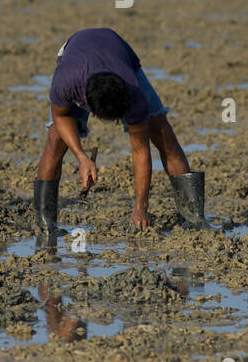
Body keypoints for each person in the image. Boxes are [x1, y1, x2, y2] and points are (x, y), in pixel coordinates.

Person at [33, 27, 208, 233]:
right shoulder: (66, 81)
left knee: (161, 131)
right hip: (76, 50)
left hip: (119, 51)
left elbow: (140, 151)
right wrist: (82, 157)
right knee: (56, 138)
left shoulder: (134, 95)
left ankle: (194, 217)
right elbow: (60, 116)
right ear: (85, 101)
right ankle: (45, 224)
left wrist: (141, 208)